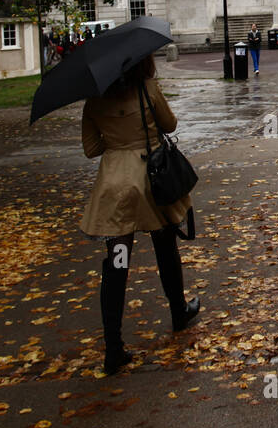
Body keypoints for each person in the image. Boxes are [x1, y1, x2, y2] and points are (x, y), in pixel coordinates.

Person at [81, 54, 199, 376]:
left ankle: (114, 346)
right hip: (150, 184)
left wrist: (116, 139)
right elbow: (170, 124)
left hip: (115, 190)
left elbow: (91, 148)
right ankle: (178, 312)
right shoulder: (148, 88)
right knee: (164, 246)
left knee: (117, 261)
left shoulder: (95, 98)